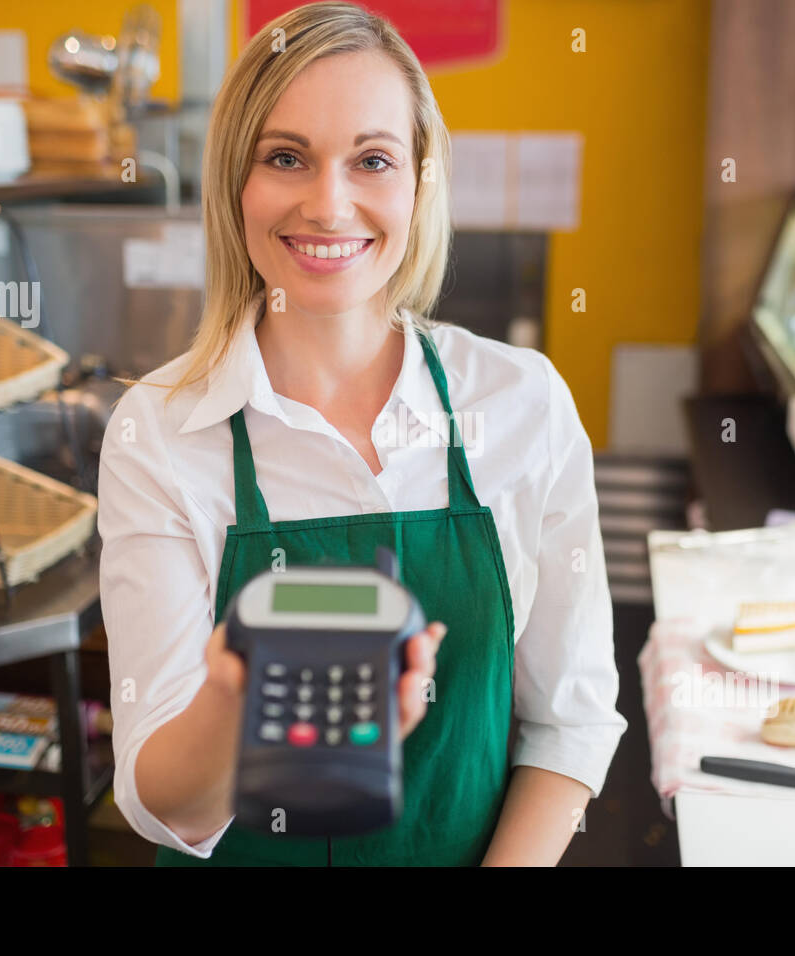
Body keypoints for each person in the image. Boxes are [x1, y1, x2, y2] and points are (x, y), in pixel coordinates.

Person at [99, 1, 626, 867]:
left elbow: (568, 723)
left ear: (420, 182)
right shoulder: (159, 432)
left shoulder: (523, 402)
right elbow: (161, 804)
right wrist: (239, 699)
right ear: (237, 183)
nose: (328, 203)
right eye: (285, 157)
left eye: (372, 160)